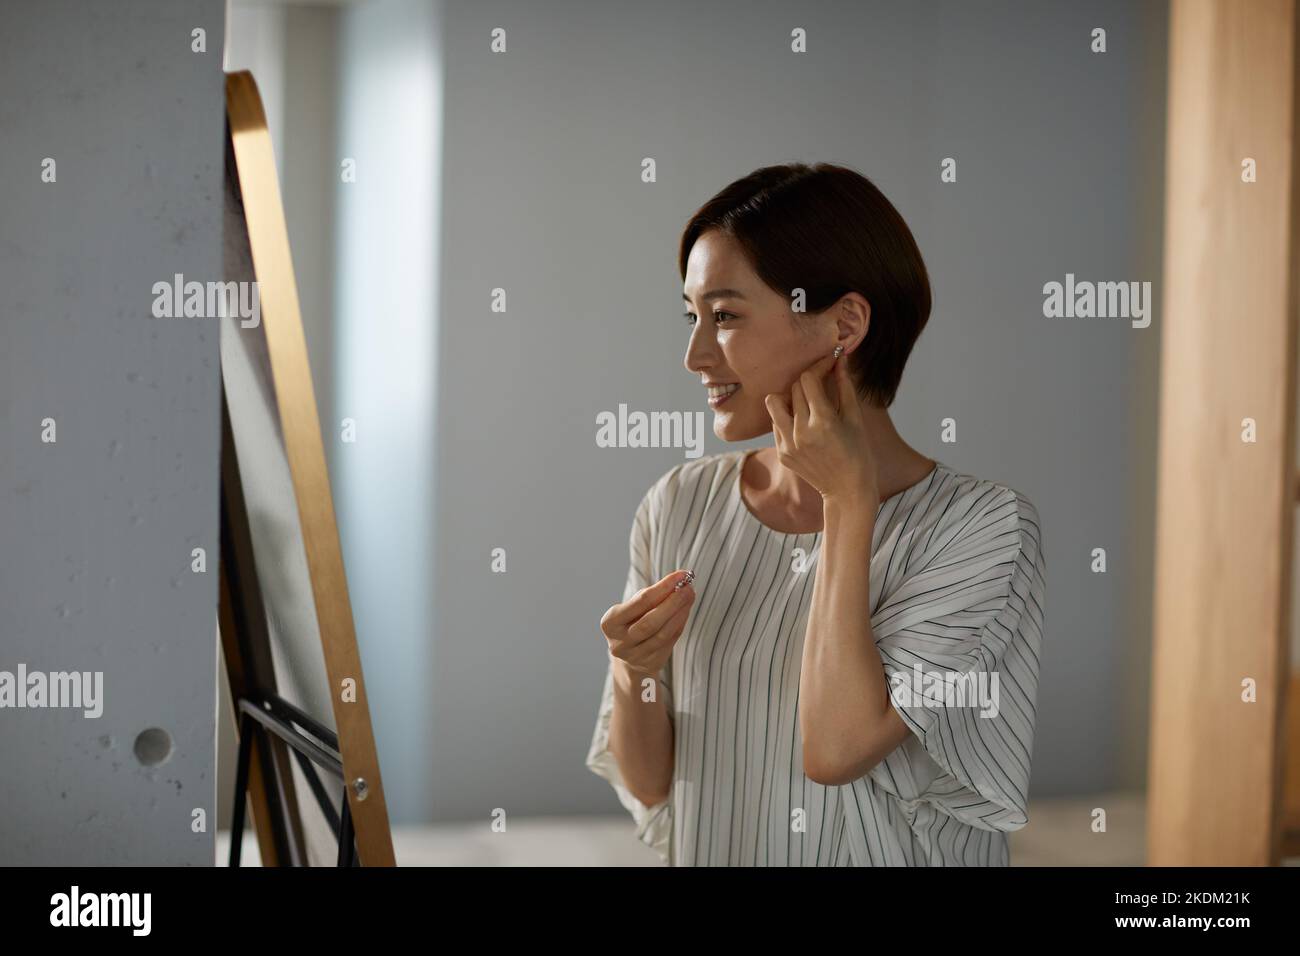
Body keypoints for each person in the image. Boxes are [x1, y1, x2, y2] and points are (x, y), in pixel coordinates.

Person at [586, 162, 1046, 866]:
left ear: (845, 323)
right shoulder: (678, 504)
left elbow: (836, 750)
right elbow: (651, 784)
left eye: (726, 316)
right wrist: (631, 669)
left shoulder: (982, 528)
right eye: (691, 315)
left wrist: (847, 503)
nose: (694, 354)